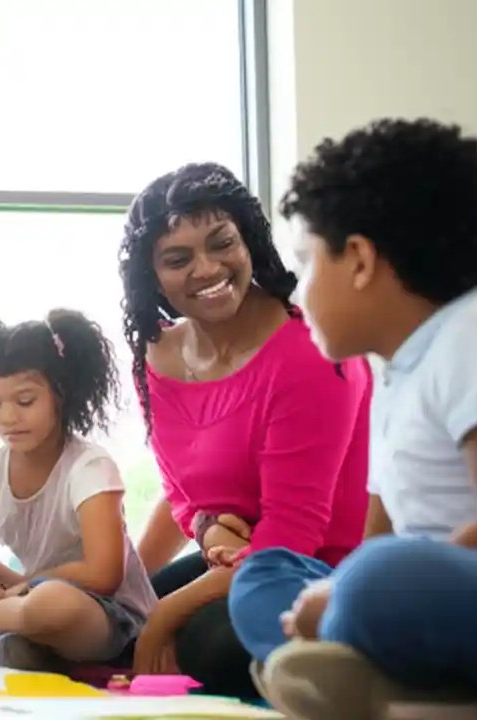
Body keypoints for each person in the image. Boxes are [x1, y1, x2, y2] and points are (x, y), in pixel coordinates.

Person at [228, 118, 477, 719]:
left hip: (463, 591)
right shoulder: (393, 375)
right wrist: (332, 591)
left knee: (385, 577)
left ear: (358, 259)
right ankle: (388, 682)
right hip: (418, 603)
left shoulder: (475, 338)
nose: (297, 294)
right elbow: (380, 530)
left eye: (305, 262)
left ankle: (383, 680)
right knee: (264, 575)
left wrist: (348, 591)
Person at [118, 162, 371, 698]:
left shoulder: (310, 351)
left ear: (248, 239)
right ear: (152, 274)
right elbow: (182, 495)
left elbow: (294, 536)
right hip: (233, 556)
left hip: (313, 569)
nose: (206, 269)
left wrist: (165, 615)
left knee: (203, 643)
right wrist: (209, 531)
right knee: (118, 625)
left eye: (221, 243)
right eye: (178, 259)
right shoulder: (155, 357)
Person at [0, 310, 156, 671]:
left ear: (60, 394)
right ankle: (21, 644)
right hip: (25, 598)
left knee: (52, 604)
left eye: (24, 402)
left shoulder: (89, 467)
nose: (7, 417)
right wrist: (3, 589)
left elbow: (104, 575)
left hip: (105, 616)